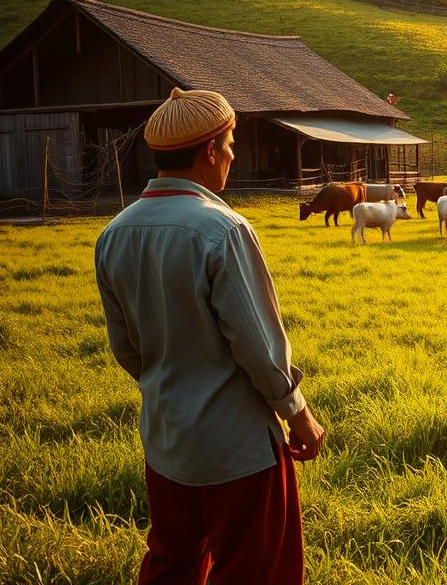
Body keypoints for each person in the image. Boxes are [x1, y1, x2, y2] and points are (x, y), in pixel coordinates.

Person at [95, 87, 324, 584]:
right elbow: (260, 349)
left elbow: (126, 349)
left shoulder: (114, 234)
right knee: (255, 569)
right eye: (232, 143)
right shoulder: (222, 230)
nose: (233, 155)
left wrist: (173, 383)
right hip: (237, 449)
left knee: (172, 563)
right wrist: (298, 415)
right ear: (210, 150)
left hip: (166, 440)